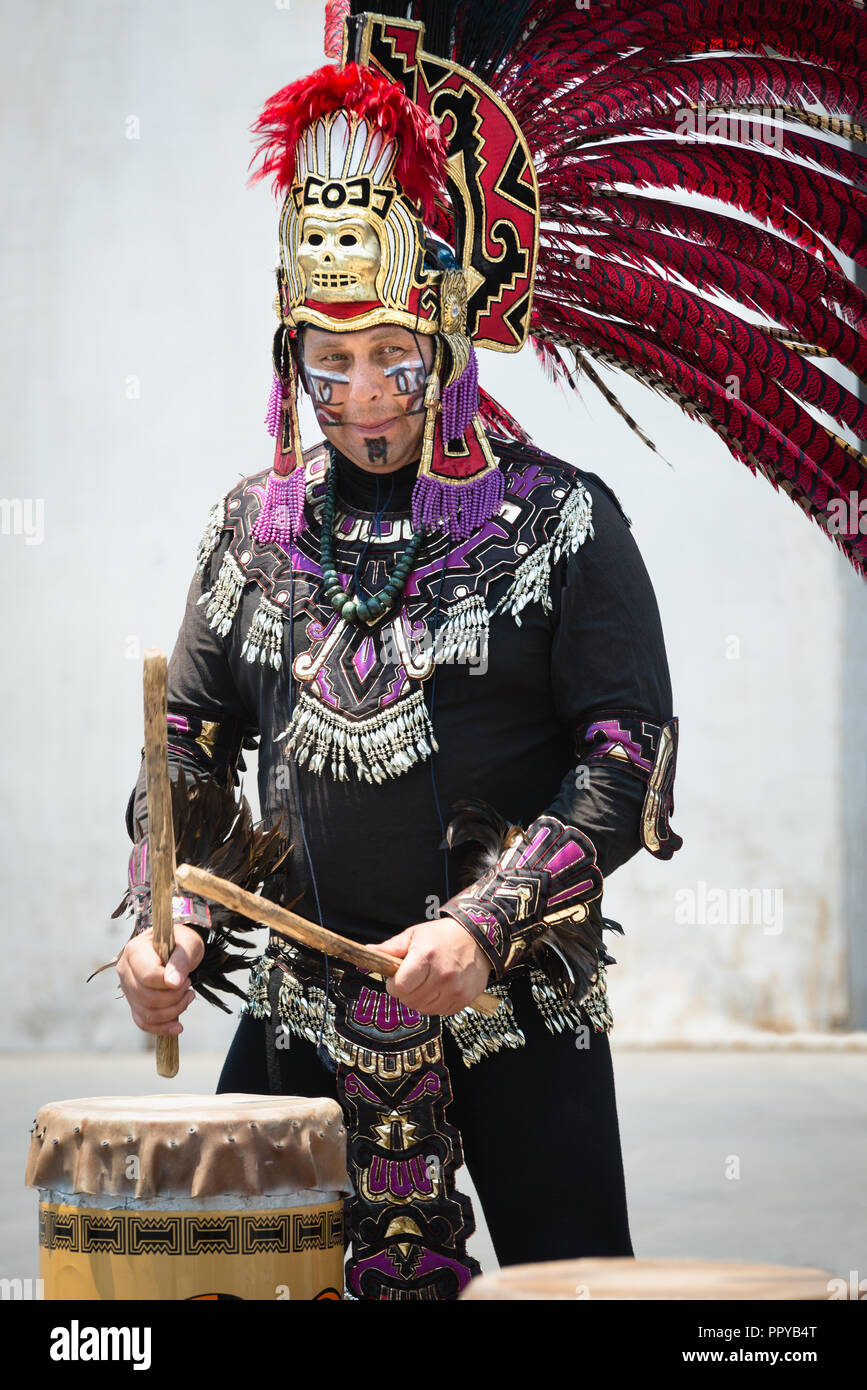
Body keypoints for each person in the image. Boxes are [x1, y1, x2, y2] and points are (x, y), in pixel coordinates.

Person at [114, 2, 867, 1299]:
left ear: (450, 342)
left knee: (581, 1294)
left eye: (392, 359)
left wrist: (487, 918)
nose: (358, 396)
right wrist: (168, 913)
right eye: (329, 359)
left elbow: (628, 757)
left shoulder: (566, 518)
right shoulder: (248, 529)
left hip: (518, 1004)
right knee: (213, 1292)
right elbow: (187, 743)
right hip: (299, 1006)